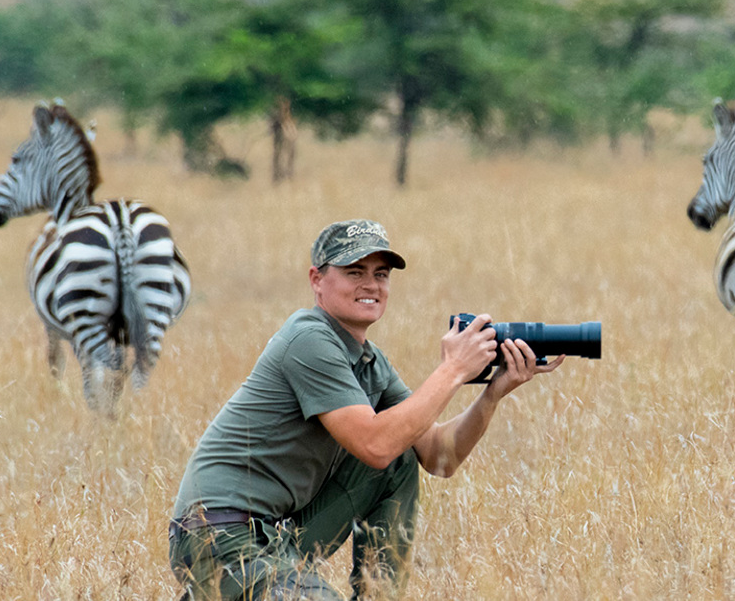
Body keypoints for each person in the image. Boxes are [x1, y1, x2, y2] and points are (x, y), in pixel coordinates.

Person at [168, 219, 565, 600]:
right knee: (389, 449)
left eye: (381, 274)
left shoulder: (370, 362)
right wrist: (454, 369)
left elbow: (439, 455)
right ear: (317, 280)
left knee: (400, 460)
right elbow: (375, 444)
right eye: (354, 271)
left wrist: (493, 393)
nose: (371, 284)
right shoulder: (308, 338)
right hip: (218, 534)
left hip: (280, 535)